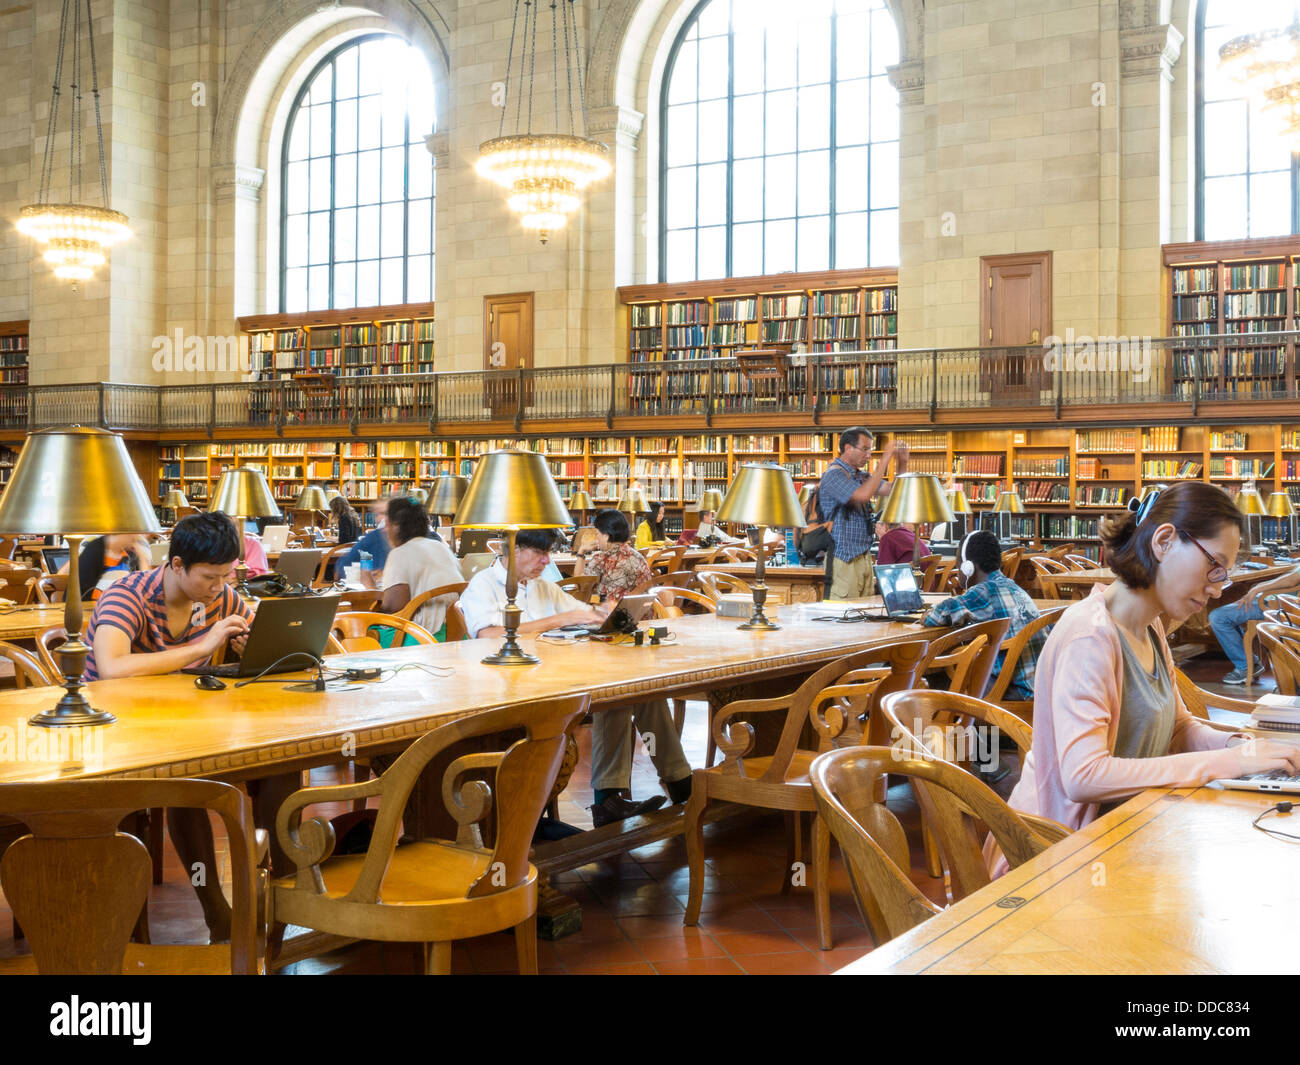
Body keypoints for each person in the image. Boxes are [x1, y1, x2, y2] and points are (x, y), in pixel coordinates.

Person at [992, 483, 1300, 874]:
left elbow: (1178, 728)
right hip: (1057, 857)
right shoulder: (1091, 635)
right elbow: (1084, 777)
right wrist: (1225, 762)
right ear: (1165, 541)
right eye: (1214, 566)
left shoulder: (1150, 626)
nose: (1219, 586)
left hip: (1125, 835)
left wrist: (1242, 745)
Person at [83, 512, 258, 941]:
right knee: (188, 786)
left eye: (227, 576)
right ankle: (212, 908)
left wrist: (251, 644)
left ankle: (280, 902)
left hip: (178, 723)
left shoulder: (221, 595)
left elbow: (253, 629)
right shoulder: (127, 595)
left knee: (265, 774)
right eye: (210, 577)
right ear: (176, 565)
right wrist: (203, 645)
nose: (219, 587)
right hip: (111, 730)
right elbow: (112, 668)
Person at [460, 528, 694, 826]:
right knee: (613, 692)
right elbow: (489, 635)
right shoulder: (484, 584)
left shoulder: (542, 586)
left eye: (548, 553)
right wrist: (563, 619)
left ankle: (676, 780)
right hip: (513, 684)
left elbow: (585, 613)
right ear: (513, 549)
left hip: (558, 672)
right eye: (540, 553)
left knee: (640, 690)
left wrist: (610, 613)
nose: (548, 561)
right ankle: (609, 797)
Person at [922, 530, 1044, 700]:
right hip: (1038, 688)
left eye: (959, 564)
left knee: (931, 680)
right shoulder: (1013, 586)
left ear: (968, 567)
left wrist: (924, 613)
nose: (958, 571)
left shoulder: (982, 592)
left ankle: (940, 723)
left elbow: (935, 617)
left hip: (1014, 692)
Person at [817, 427, 909, 598]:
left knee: (864, 615)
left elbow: (894, 490)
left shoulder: (860, 476)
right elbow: (862, 495)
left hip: (863, 557)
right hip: (843, 558)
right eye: (865, 449)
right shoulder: (834, 475)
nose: (868, 455)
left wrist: (902, 463)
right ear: (847, 448)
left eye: (870, 451)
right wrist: (885, 459)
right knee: (845, 617)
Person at [379, 496, 463, 639]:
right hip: (456, 633)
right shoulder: (441, 548)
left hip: (423, 637)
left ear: (397, 526)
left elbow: (395, 606)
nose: (385, 531)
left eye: (387, 524)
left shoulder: (399, 553)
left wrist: (376, 593)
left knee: (363, 631)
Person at [1208, 563, 1300, 684]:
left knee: (1218, 617)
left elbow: (1292, 580)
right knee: (1225, 613)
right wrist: (1260, 587)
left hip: (1277, 606)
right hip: (1273, 600)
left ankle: (1244, 667)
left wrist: (1257, 589)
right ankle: (1250, 662)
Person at [574, 509, 654, 600]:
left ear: (606, 536)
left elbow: (579, 585)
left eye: (597, 534)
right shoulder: (638, 556)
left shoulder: (602, 559)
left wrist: (581, 551)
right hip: (642, 610)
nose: (596, 538)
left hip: (614, 612)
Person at [65, 534, 153, 600]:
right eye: (131, 534)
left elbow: (146, 588)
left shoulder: (129, 554)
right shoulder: (95, 549)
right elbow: (78, 593)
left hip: (120, 607)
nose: (135, 537)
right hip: (94, 610)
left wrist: (142, 558)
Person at [344, 495, 393, 576]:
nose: (380, 519)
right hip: (375, 586)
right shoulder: (373, 539)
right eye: (377, 514)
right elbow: (346, 563)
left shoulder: (408, 541)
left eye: (385, 513)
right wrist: (367, 571)